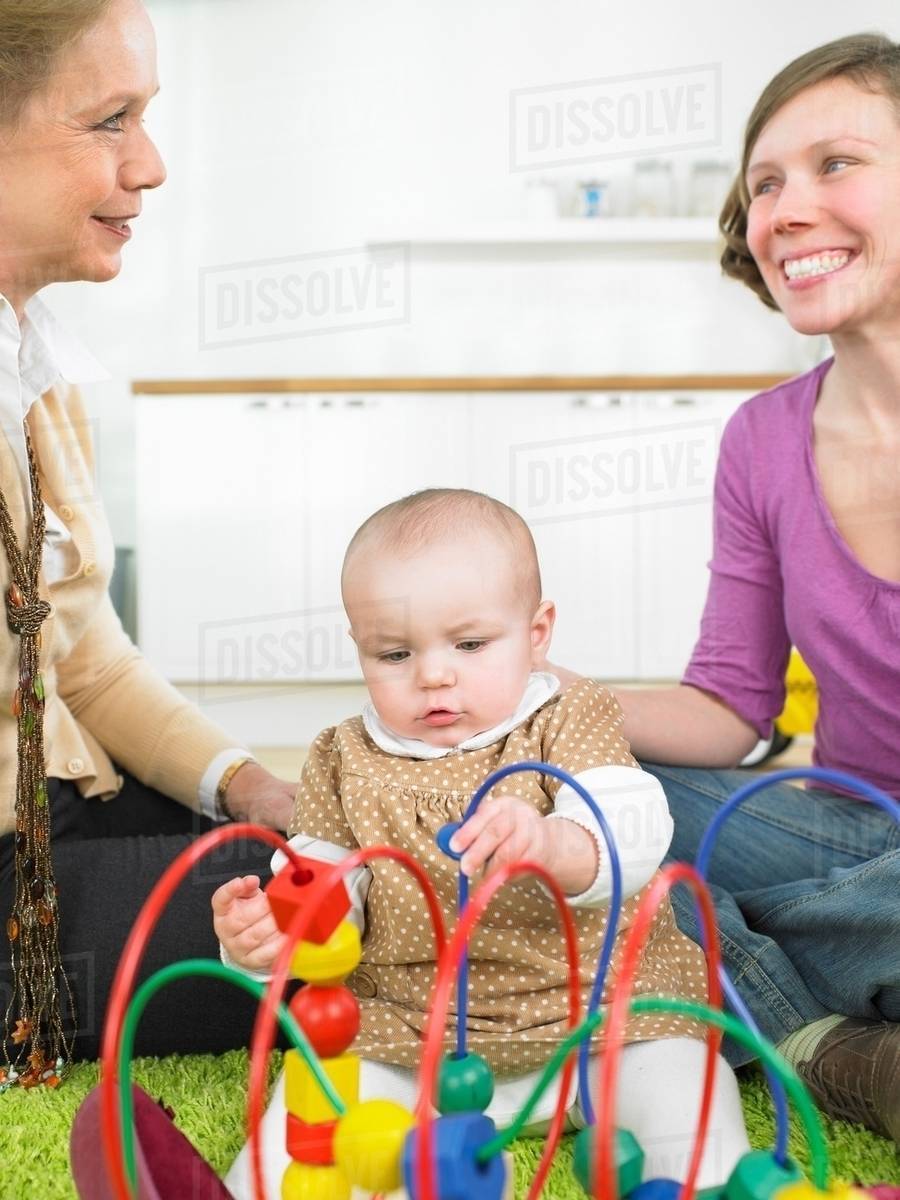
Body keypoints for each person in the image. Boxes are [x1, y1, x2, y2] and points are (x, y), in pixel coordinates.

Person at [551, 33, 900, 1145]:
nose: (786, 208)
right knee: (568, 792)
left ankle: (770, 998)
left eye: (835, 164)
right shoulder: (763, 440)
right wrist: (547, 697)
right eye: (764, 184)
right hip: (845, 839)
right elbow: (731, 708)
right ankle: (829, 1033)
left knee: (638, 889)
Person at [215, 489, 750, 1195]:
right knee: (302, 1145)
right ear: (360, 648)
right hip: (412, 1038)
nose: (435, 675)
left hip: (606, 1020)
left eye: (470, 645)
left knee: (693, 1111)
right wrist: (274, 931)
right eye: (395, 653)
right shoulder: (341, 755)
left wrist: (556, 844)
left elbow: (632, 825)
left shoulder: (568, 714)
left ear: (537, 632)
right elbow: (320, 882)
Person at [0, 0, 295, 1076]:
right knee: (343, 932)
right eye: (110, 120)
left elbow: (89, 657)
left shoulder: (35, 371)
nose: (152, 163)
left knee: (335, 860)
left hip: (59, 810)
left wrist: (250, 784)